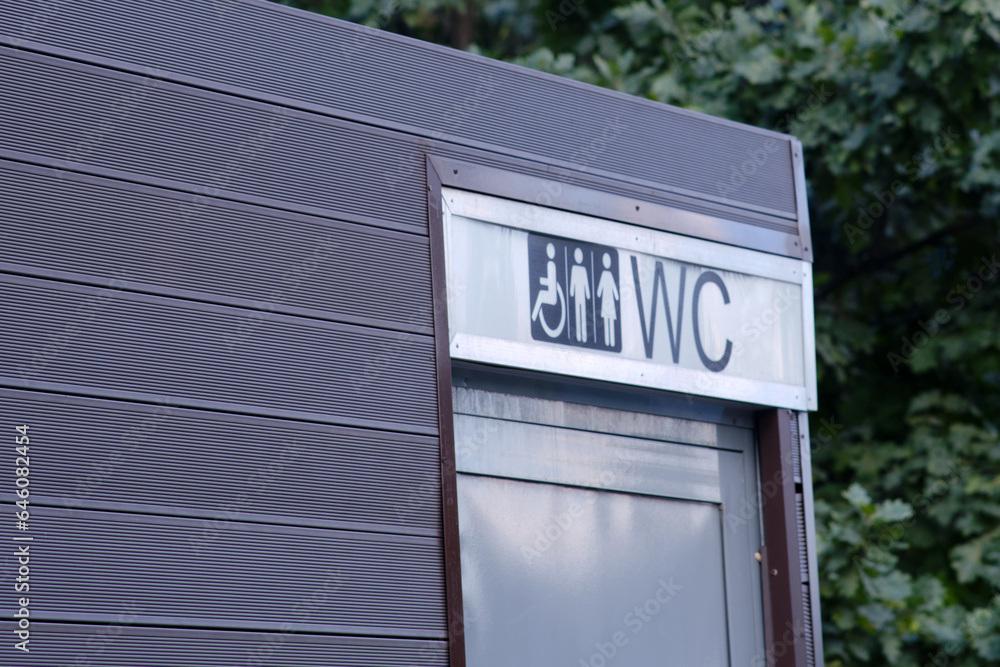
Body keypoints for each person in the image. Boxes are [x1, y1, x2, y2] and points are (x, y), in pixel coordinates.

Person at [596, 252, 619, 347]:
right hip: (606, 301)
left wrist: (616, 296)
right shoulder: (606, 275)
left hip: (608, 301)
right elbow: (600, 288)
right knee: (606, 319)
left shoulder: (608, 275)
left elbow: (613, 287)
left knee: (609, 319)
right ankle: (608, 341)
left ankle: (611, 341)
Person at [569, 247, 591, 343]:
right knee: (578, 315)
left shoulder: (583, 270)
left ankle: (584, 336)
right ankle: (578, 336)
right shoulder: (574, 269)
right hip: (577, 297)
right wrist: (571, 292)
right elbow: (572, 282)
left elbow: (586, 283)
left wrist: (588, 294)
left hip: (582, 297)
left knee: (583, 315)